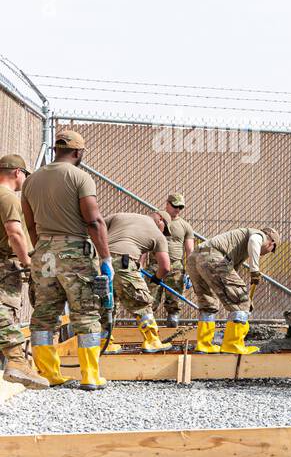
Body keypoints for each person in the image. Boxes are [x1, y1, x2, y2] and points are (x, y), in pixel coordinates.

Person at [21, 129, 113, 390]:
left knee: (44, 313)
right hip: (74, 252)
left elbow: (30, 224)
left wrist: (43, 246)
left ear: (56, 150)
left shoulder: (31, 180)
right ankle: (90, 376)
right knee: (86, 313)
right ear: (78, 152)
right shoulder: (80, 177)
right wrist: (105, 258)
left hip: (43, 252)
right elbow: (94, 221)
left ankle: (48, 373)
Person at [185, 225, 280, 354]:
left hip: (195, 257)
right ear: (271, 243)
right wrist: (254, 271)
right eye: (271, 250)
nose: (266, 253)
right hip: (213, 257)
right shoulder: (258, 235)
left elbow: (230, 277)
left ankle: (204, 345)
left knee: (208, 303)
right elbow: (254, 241)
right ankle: (233, 345)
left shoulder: (239, 247)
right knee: (241, 301)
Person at [0, 153, 47, 388]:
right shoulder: (7, 196)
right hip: (4, 265)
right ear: (18, 172)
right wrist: (27, 262)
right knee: (4, 311)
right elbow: (14, 232)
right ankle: (17, 361)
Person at [102, 212, 173, 353]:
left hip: (101, 261)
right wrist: (157, 278)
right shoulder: (158, 236)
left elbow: (96, 226)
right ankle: (152, 341)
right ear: (160, 220)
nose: (163, 233)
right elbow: (165, 267)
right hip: (123, 264)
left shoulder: (120, 216)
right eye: (164, 229)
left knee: (107, 304)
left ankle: (104, 343)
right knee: (141, 303)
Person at [151, 192, 194, 327]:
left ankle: (172, 319)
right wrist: (140, 264)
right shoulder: (157, 221)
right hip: (155, 265)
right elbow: (146, 242)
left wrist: (190, 271)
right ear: (167, 204)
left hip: (175, 266)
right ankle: (148, 322)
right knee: (150, 297)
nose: (177, 209)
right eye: (175, 206)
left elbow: (190, 250)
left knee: (174, 298)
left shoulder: (185, 226)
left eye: (180, 207)